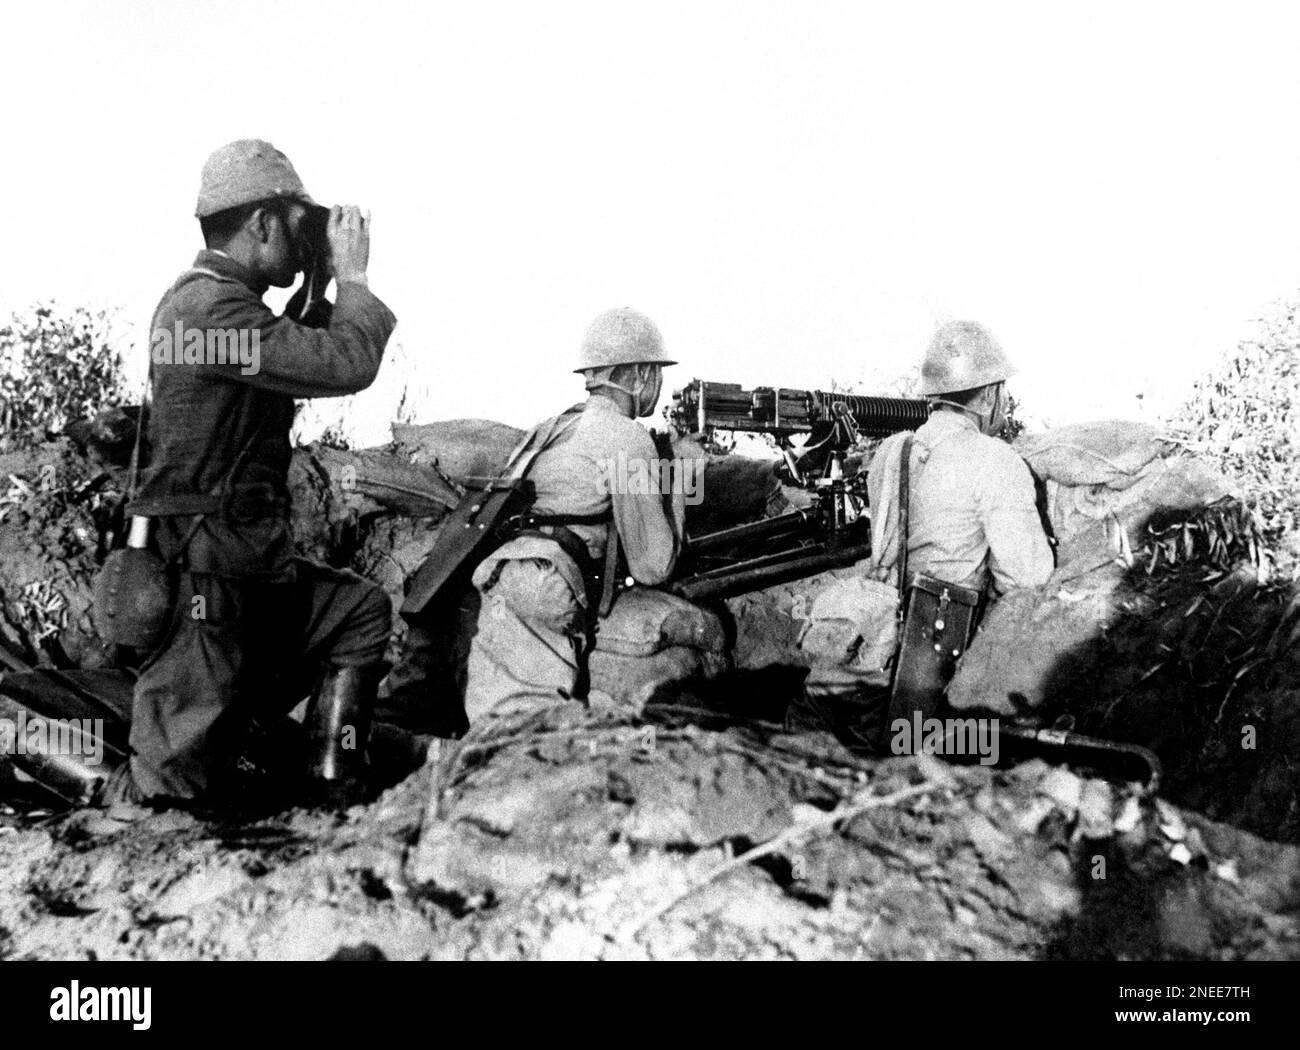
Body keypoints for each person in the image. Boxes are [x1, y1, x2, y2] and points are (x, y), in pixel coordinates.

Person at [107, 139, 398, 808]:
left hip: (246, 561)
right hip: (201, 573)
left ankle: (328, 783)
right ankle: (136, 834)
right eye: (295, 223)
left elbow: (293, 357)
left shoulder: (223, 307)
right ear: (262, 223)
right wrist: (352, 280)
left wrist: (318, 286)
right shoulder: (203, 312)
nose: (302, 239)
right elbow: (344, 364)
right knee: (172, 777)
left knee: (356, 612)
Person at [459, 307, 700, 727]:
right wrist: (681, 474)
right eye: (657, 373)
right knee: (530, 737)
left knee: (491, 722)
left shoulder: (552, 427)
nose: (659, 385)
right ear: (640, 373)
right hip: (549, 585)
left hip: (497, 577)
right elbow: (653, 566)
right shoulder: (627, 437)